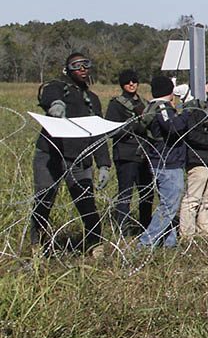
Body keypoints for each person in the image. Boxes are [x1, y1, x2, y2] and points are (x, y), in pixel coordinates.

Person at [30, 52, 112, 254]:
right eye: (76, 66)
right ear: (68, 70)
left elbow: (97, 132)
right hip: (50, 155)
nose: (82, 69)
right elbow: (48, 93)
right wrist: (55, 105)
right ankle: (36, 247)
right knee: (44, 200)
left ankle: (95, 247)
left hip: (79, 158)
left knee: (87, 203)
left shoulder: (92, 99)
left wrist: (104, 164)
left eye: (86, 65)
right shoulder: (59, 87)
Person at [138, 75, 205, 249]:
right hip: (168, 162)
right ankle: (146, 243)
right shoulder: (162, 108)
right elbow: (172, 127)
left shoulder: (151, 107)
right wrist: (187, 113)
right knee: (169, 206)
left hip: (161, 160)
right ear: (170, 92)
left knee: (168, 204)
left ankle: (169, 242)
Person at [105, 68, 154, 237]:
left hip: (145, 154)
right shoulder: (116, 104)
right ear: (122, 85)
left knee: (147, 193)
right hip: (126, 154)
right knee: (125, 194)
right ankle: (122, 230)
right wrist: (134, 125)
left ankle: (146, 226)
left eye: (134, 81)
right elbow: (111, 130)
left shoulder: (145, 104)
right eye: (127, 82)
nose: (131, 84)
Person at [179, 91, 208, 242]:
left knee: (207, 202)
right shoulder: (193, 111)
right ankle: (187, 236)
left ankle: (204, 233)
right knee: (192, 200)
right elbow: (192, 135)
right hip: (198, 161)